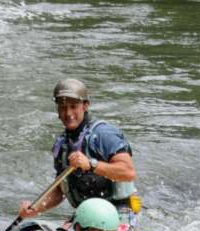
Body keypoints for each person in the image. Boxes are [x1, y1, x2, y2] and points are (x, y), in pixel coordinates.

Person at [18, 79, 138, 218]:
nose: (68, 113)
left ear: (85, 105)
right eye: (63, 107)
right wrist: (35, 208)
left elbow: (129, 173)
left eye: (73, 106)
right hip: (87, 215)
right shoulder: (61, 145)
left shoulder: (104, 134)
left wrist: (91, 165)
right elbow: (60, 190)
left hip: (118, 212)